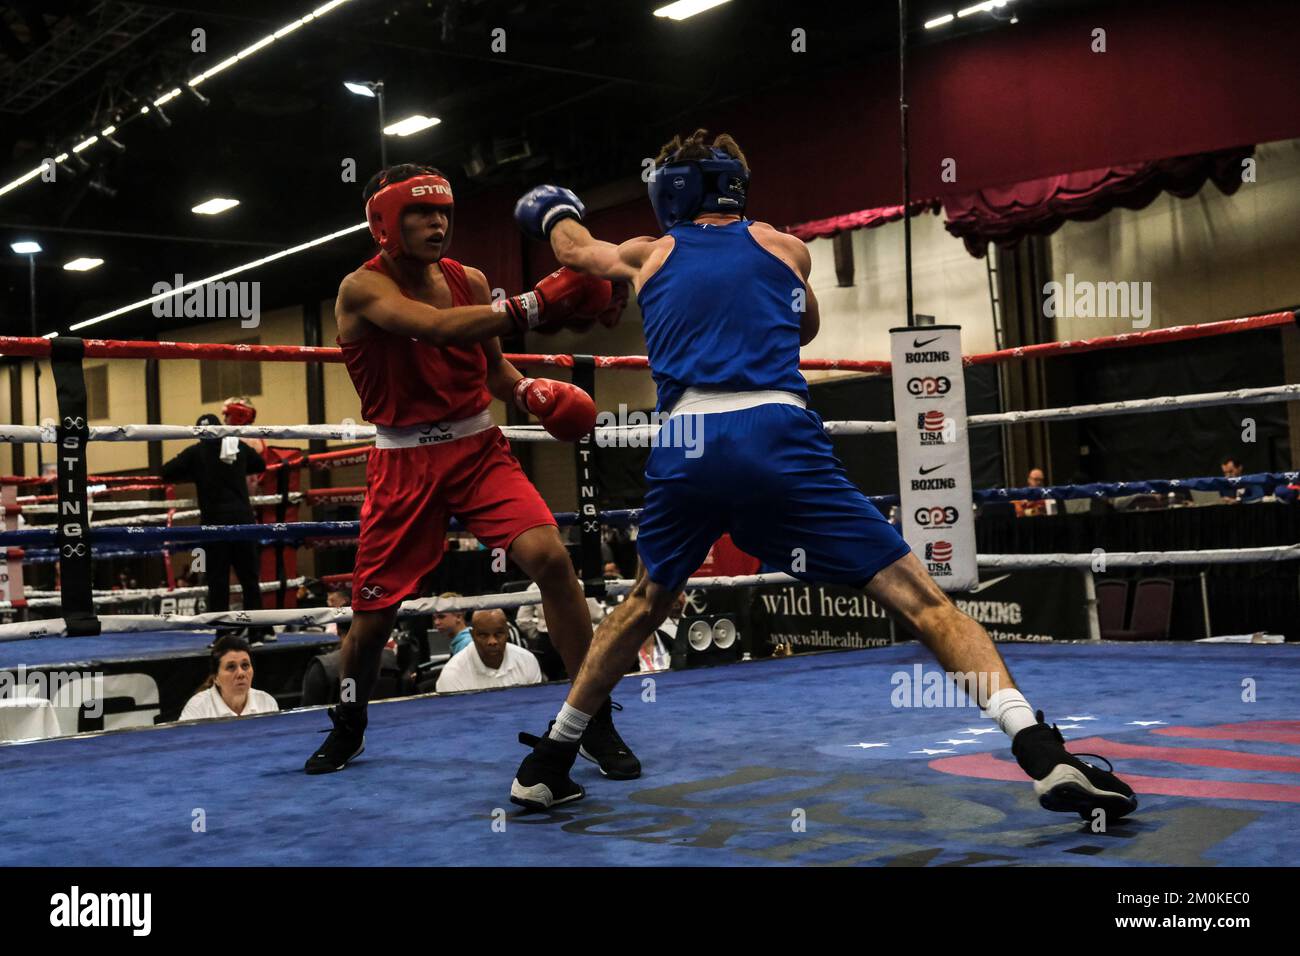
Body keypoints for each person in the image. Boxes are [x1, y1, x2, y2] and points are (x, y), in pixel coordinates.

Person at [507, 129, 1137, 820]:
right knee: (925, 603)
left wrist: (553, 207)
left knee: (644, 603)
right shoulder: (786, 246)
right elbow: (804, 327)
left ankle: (546, 764)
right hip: (778, 433)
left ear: (673, 190)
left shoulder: (648, 253)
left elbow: (570, 250)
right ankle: (1040, 751)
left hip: (688, 437)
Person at [303, 164, 637, 778]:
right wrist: (539, 302)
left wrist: (533, 392)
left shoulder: (471, 280)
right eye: (421, 213)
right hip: (403, 461)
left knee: (555, 562)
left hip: (478, 449)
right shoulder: (361, 289)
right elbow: (432, 330)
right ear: (385, 221)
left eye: (444, 213)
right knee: (372, 619)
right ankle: (348, 722)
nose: (437, 223)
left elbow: (494, 370)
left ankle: (592, 718)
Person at [161, 410, 269, 640]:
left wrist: (195, 472)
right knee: (249, 580)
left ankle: (222, 635)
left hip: (215, 526)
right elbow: (260, 464)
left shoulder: (196, 452)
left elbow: (165, 472)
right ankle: (259, 634)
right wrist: (238, 470)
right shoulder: (236, 446)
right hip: (242, 523)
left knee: (218, 582)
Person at [435, 609, 544, 693]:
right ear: (472, 635)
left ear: (507, 633)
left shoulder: (527, 661)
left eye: (498, 634)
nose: (492, 641)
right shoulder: (452, 674)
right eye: (483, 635)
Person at [180, 635, 280, 720]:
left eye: (245, 665)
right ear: (215, 678)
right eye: (231, 667)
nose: (241, 673)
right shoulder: (197, 709)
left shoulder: (266, 703)